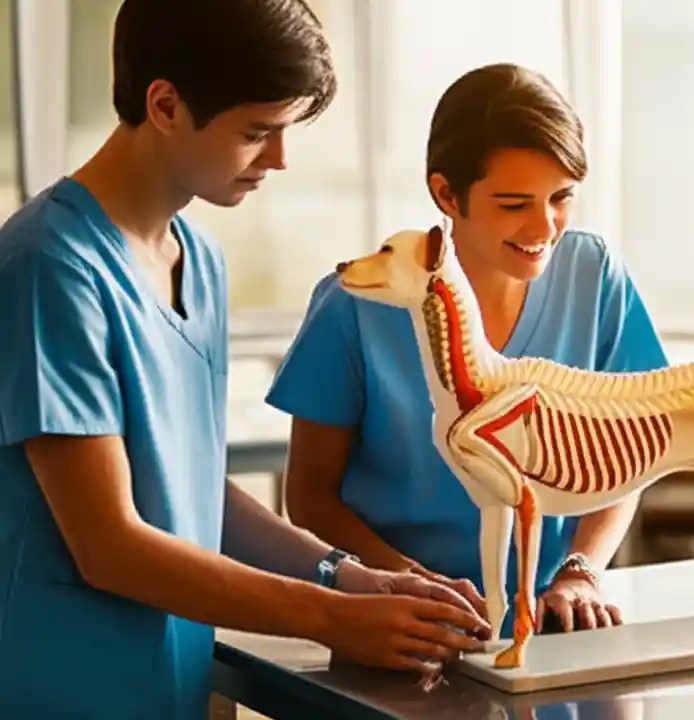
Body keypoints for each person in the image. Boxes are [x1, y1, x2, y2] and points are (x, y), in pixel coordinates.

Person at [0, 2, 490, 718]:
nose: (279, 159)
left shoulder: (197, 262)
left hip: (172, 689)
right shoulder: (50, 267)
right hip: (63, 690)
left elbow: (195, 491)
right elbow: (110, 544)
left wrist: (348, 576)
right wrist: (327, 616)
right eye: (257, 132)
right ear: (164, 103)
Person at [266, 62, 668, 637]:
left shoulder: (595, 277)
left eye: (561, 197)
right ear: (446, 194)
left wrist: (581, 571)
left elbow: (631, 452)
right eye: (513, 204)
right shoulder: (355, 304)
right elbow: (308, 496)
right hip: (396, 622)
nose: (545, 226)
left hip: (552, 624)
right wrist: (403, 580)